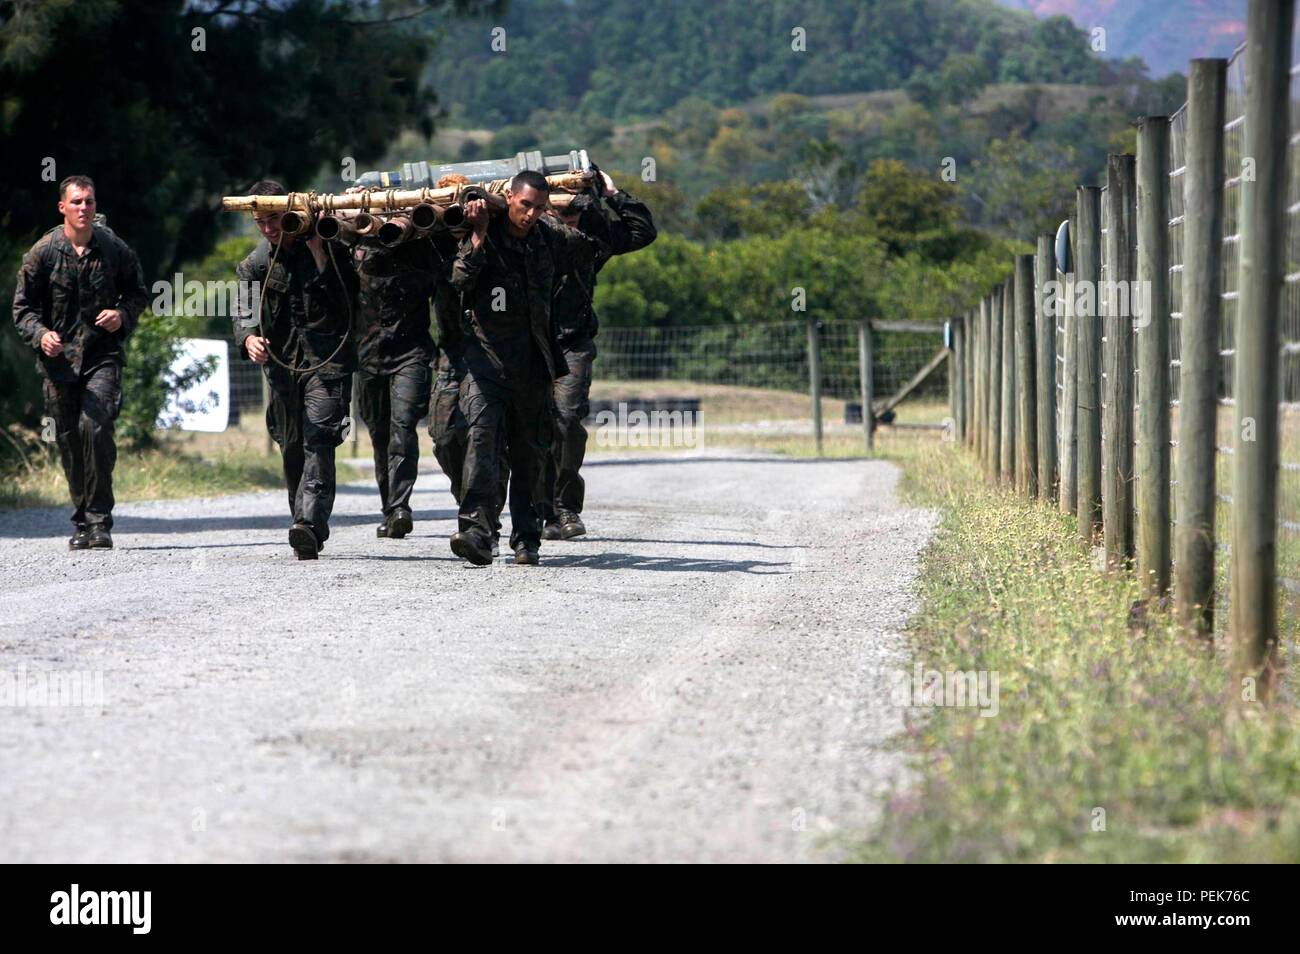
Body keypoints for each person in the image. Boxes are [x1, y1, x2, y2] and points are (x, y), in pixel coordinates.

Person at [447, 170, 609, 566]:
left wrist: (608, 199)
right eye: (525, 205)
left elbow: (602, 245)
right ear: (509, 198)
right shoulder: (483, 229)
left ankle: (527, 538)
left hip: (533, 365)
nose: (531, 214)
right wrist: (478, 233)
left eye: (539, 207)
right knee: (481, 444)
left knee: (529, 455)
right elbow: (460, 279)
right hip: (486, 362)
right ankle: (477, 532)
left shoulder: (549, 237)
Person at [11, 175, 149, 550]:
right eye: (76, 202)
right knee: (70, 440)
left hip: (101, 356)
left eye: (88, 201)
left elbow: (138, 292)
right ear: (62, 207)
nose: (84, 208)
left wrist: (122, 314)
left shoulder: (112, 247)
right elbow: (22, 308)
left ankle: (99, 520)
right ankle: (81, 519)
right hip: (59, 364)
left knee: (97, 429)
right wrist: (40, 334)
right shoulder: (42, 253)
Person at [232, 179, 358, 560]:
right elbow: (242, 310)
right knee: (290, 446)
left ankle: (310, 523)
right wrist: (248, 338)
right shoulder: (254, 264)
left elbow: (350, 298)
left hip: (327, 362)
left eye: (274, 219)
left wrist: (320, 254)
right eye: (261, 222)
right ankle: (300, 521)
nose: (269, 228)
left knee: (318, 437)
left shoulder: (329, 248)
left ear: (291, 214)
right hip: (283, 367)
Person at [541, 171, 657, 541]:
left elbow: (641, 232)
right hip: (525, 344)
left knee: (567, 420)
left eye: (576, 214)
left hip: (573, 342)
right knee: (520, 428)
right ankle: (519, 510)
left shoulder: (591, 238)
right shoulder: (522, 234)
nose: (569, 221)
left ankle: (564, 507)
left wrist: (613, 193)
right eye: (562, 214)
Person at [351, 206, 439, 540]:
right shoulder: (355, 247)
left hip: (411, 353)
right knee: (379, 433)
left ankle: (401, 507)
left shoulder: (423, 247)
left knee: (403, 428)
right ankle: (390, 508)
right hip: (368, 355)